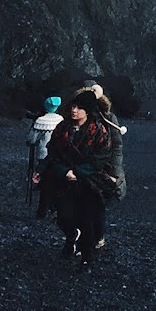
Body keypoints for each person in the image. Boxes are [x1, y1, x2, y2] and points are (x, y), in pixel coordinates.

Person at [39, 91, 122, 267]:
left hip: (90, 182)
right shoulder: (62, 128)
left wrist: (77, 172)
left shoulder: (98, 131)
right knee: (63, 216)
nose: (74, 110)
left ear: (88, 110)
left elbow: (101, 158)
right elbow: (53, 153)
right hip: (64, 180)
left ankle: (86, 257)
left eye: (79, 107)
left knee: (87, 220)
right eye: (73, 106)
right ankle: (71, 236)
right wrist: (63, 172)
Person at [27, 96, 63, 216]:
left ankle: (42, 209)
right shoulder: (61, 120)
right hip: (59, 156)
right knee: (56, 181)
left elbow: (31, 140)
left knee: (45, 182)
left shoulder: (40, 121)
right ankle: (54, 207)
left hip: (43, 155)